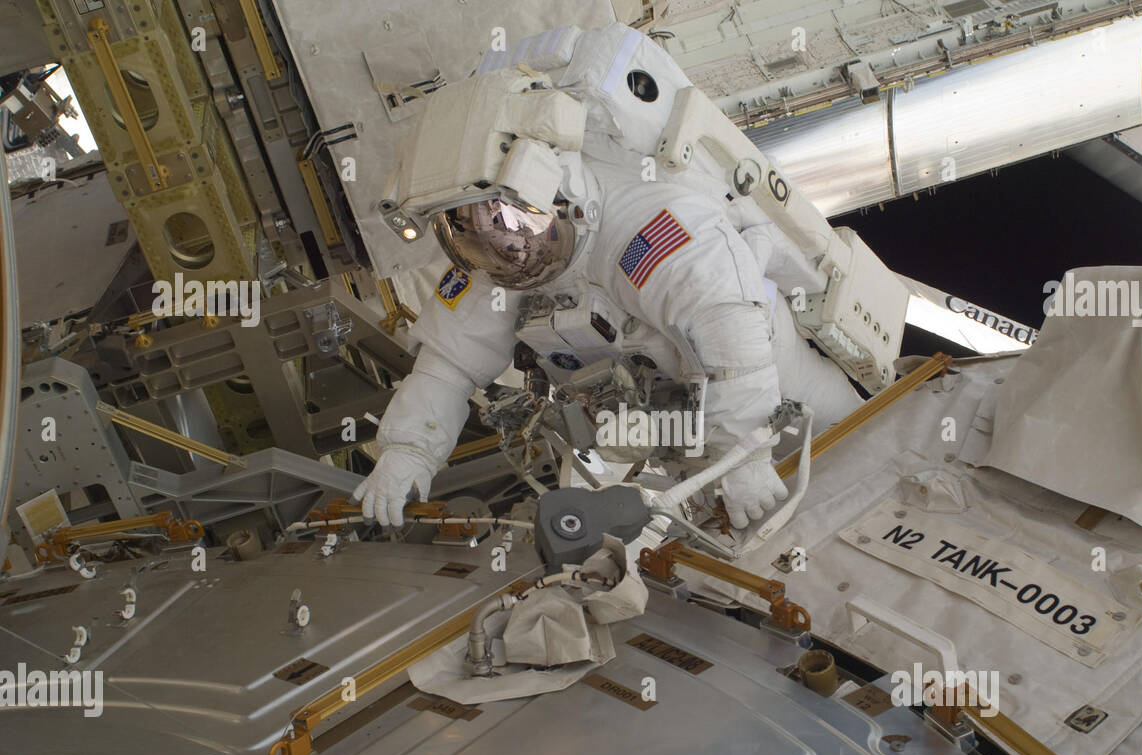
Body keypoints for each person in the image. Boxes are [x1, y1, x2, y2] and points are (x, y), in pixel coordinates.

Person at [355, 24, 862, 529]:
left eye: (510, 220)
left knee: (865, 448)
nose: (502, 245)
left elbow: (727, 325)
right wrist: (408, 452)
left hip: (782, 397)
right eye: (466, 230)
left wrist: (745, 454)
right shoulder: (497, 269)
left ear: (557, 188)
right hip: (693, 436)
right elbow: (448, 365)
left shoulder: (642, 226)